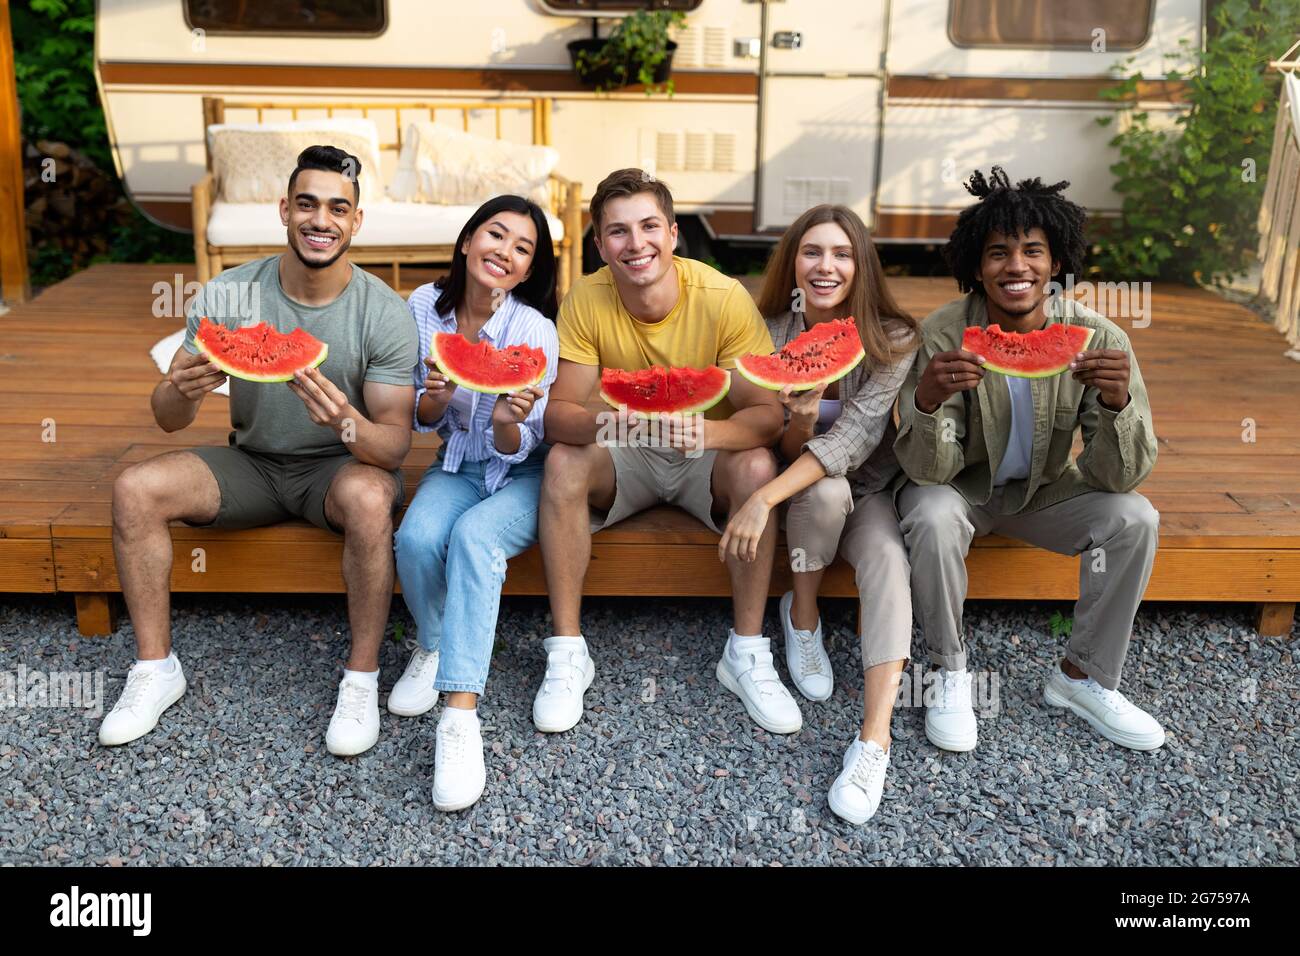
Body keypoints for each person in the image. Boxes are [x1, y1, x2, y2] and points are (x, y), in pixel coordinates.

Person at [99, 145, 419, 757]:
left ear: (356, 222)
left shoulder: (383, 312)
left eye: (337, 208)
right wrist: (178, 390)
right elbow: (167, 422)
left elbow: (394, 446)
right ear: (283, 211)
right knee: (134, 489)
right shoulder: (230, 294)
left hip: (338, 469)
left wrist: (345, 421)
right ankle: (154, 668)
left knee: (372, 497)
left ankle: (360, 677)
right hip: (251, 463)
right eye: (306, 204)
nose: (320, 219)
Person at [894, 166, 1164, 754]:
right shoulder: (943, 332)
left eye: (1032, 251)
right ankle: (948, 672)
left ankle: (1080, 678)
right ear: (975, 265)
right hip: (961, 489)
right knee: (933, 514)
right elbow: (927, 472)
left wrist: (1118, 403)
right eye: (997, 253)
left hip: (1044, 491)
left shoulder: (1099, 337)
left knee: (1137, 518)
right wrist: (927, 400)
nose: (1016, 266)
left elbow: (1118, 478)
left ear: (1056, 261)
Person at [536, 168, 797, 735]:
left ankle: (747, 651)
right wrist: (607, 421)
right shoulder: (586, 297)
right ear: (601, 245)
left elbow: (767, 414)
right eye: (618, 232)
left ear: (674, 233)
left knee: (756, 465)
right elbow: (558, 415)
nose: (636, 244)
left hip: (706, 458)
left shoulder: (723, 298)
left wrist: (706, 434)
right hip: (624, 450)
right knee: (561, 461)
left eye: (649, 226)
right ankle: (566, 650)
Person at [718, 204, 920, 824]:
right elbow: (776, 446)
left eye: (841, 254)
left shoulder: (895, 339)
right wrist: (797, 421)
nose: (825, 266)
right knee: (823, 492)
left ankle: (874, 741)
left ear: (861, 265)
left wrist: (761, 498)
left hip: (871, 490)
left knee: (887, 560)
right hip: (809, 494)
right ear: (793, 262)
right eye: (812, 252)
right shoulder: (767, 329)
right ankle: (801, 616)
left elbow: (855, 442)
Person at [391, 195, 559, 811]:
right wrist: (436, 396)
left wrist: (512, 417)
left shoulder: (535, 331)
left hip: (523, 473)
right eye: (497, 235)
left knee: (471, 540)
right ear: (467, 241)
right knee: (412, 539)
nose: (506, 252)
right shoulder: (420, 309)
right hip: (457, 462)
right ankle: (432, 643)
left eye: (524, 249)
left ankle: (459, 718)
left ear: (527, 270)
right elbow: (424, 419)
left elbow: (520, 443)